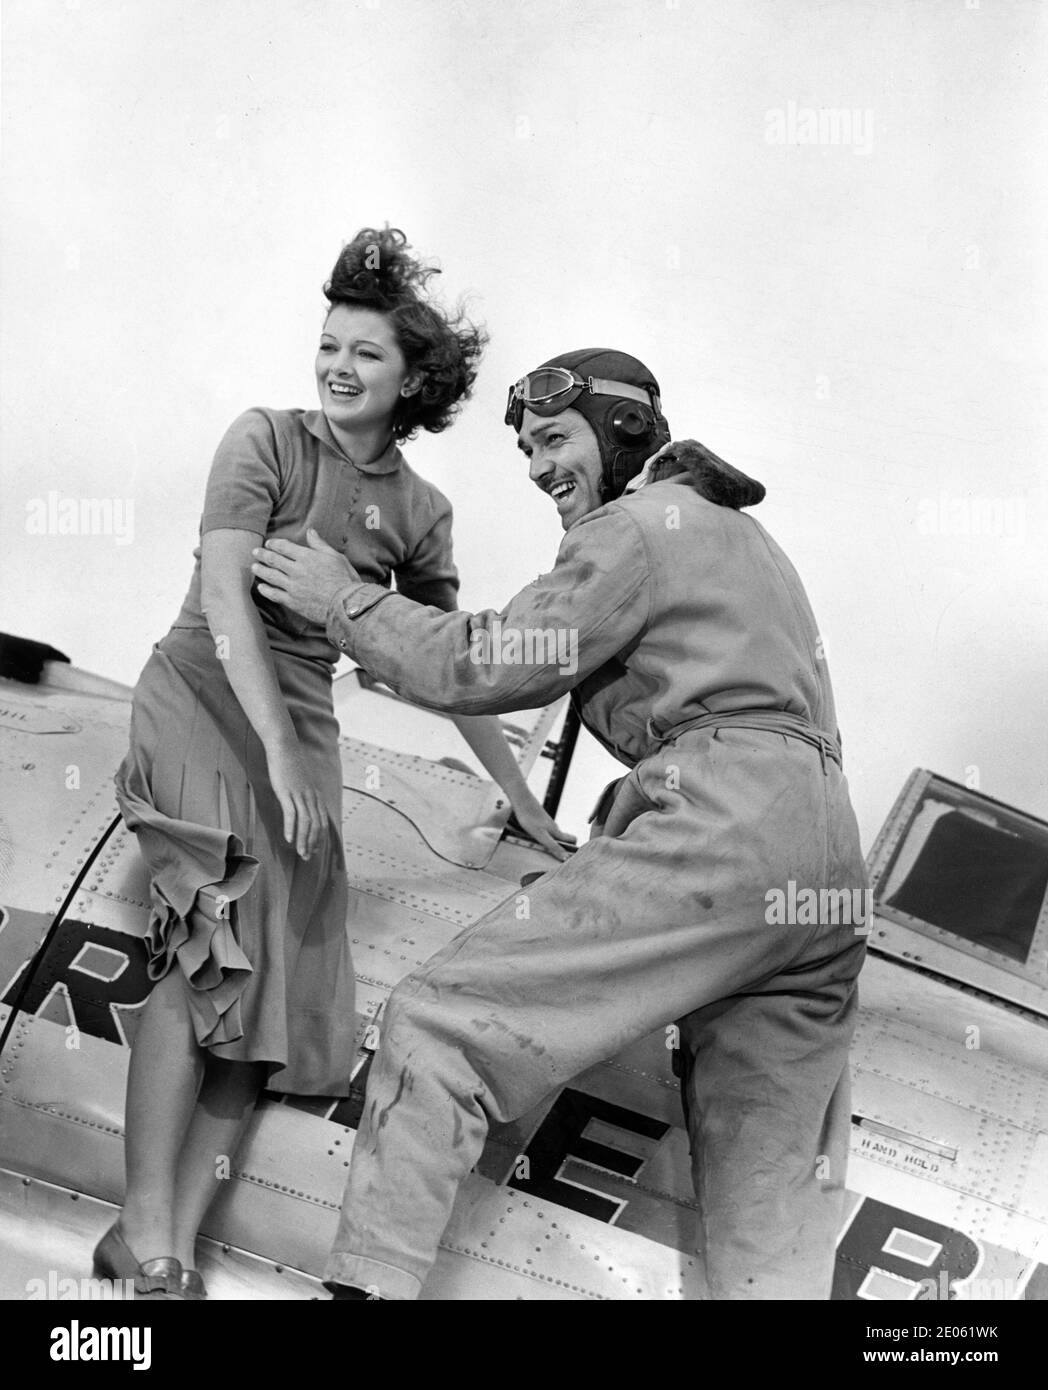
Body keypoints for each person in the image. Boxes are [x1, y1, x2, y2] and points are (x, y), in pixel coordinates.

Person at [253, 347, 869, 1301]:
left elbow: (494, 664)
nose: (538, 466)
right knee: (767, 1197)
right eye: (528, 450)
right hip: (821, 867)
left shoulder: (637, 527)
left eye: (553, 439)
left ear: (623, 433)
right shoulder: (744, 540)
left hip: (727, 831)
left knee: (441, 1022)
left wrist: (345, 603)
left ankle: (365, 1292)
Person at [103, 229, 572, 1300]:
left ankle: (165, 1242)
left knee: (273, 1011)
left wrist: (519, 801)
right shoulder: (264, 440)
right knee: (207, 955)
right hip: (205, 704)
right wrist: (276, 751)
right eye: (328, 344)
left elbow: (450, 672)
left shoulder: (419, 513)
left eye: (366, 353)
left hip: (298, 736)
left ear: (412, 384)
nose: (338, 366)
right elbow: (226, 603)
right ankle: (148, 1239)